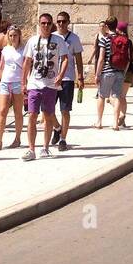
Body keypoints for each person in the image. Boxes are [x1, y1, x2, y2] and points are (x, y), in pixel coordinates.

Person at [22, 13, 65, 160]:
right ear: (39, 24)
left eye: (48, 23)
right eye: (43, 23)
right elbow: (27, 62)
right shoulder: (33, 41)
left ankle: (45, 148)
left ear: (51, 24)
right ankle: (31, 149)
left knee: (47, 116)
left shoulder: (59, 41)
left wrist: (61, 75)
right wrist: (23, 82)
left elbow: (65, 58)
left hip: (50, 84)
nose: (45, 26)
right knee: (32, 116)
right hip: (34, 83)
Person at [50, 11, 84, 152]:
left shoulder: (74, 38)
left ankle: (63, 139)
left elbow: (78, 59)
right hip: (52, 78)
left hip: (68, 78)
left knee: (65, 110)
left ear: (68, 22)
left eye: (64, 21)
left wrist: (80, 77)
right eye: (59, 21)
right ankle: (57, 128)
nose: (61, 24)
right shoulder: (52, 37)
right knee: (48, 109)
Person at [0, 24, 27, 150]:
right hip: (5, 82)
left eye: (15, 35)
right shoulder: (5, 49)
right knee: (2, 111)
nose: (13, 38)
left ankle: (17, 139)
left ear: (19, 36)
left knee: (18, 112)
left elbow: (27, 67)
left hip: (18, 82)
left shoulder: (24, 50)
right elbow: (1, 67)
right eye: (10, 36)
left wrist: (25, 83)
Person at [94, 17, 125, 129]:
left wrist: (97, 74)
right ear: (116, 25)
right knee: (116, 97)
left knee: (101, 96)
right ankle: (115, 123)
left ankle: (99, 122)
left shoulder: (105, 39)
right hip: (119, 72)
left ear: (106, 26)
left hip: (107, 72)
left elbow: (101, 58)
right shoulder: (122, 38)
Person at [114, 21, 133, 128]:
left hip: (118, 71)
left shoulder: (115, 41)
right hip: (129, 72)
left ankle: (121, 115)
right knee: (123, 96)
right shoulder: (129, 42)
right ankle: (123, 118)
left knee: (112, 97)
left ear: (118, 29)